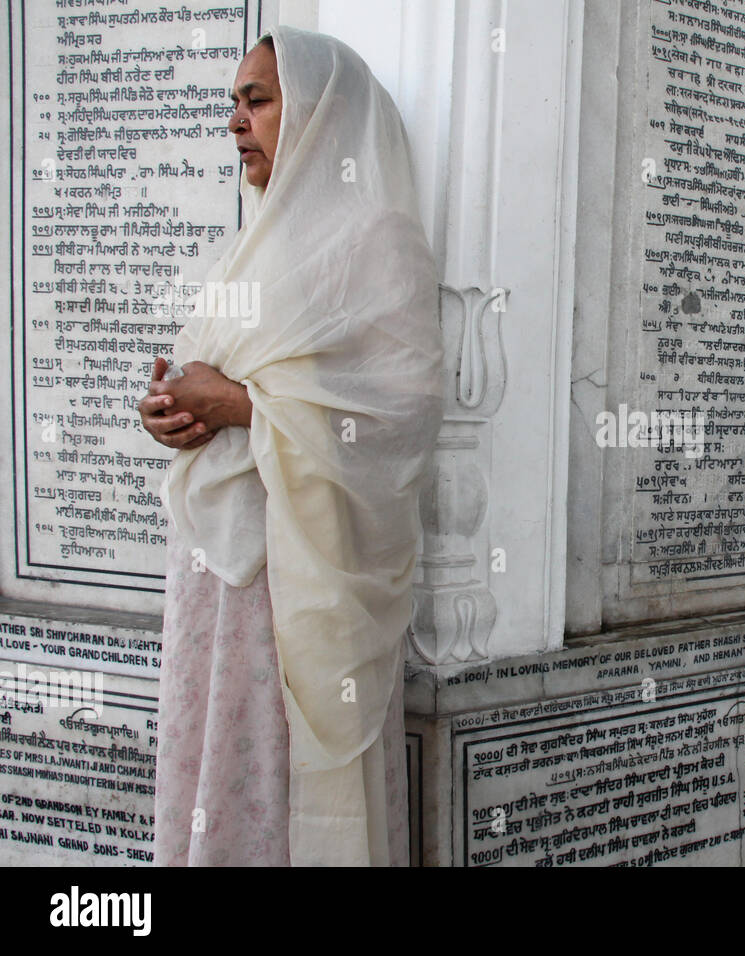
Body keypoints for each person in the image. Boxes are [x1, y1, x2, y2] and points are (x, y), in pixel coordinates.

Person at [137, 25, 444, 866]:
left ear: (319, 112)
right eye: (233, 103)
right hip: (218, 584)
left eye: (259, 99)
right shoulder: (248, 248)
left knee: (287, 787)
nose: (237, 122)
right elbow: (218, 383)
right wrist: (170, 411)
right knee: (218, 782)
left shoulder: (374, 239)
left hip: (300, 584)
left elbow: (402, 416)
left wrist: (234, 405)